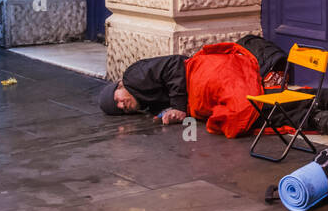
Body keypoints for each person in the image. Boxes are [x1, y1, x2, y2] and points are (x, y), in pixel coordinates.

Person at [99, 34, 289, 137]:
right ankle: (309, 110)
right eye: (120, 110)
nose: (122, 105)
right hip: (198, 94)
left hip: (201, 76)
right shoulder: (144, 101)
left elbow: (174, 65)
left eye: (118, 100)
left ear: (120, 86)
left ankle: (310, 108)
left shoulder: (133, 77)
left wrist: (178, 108)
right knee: (234, 114)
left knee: (241, 106)